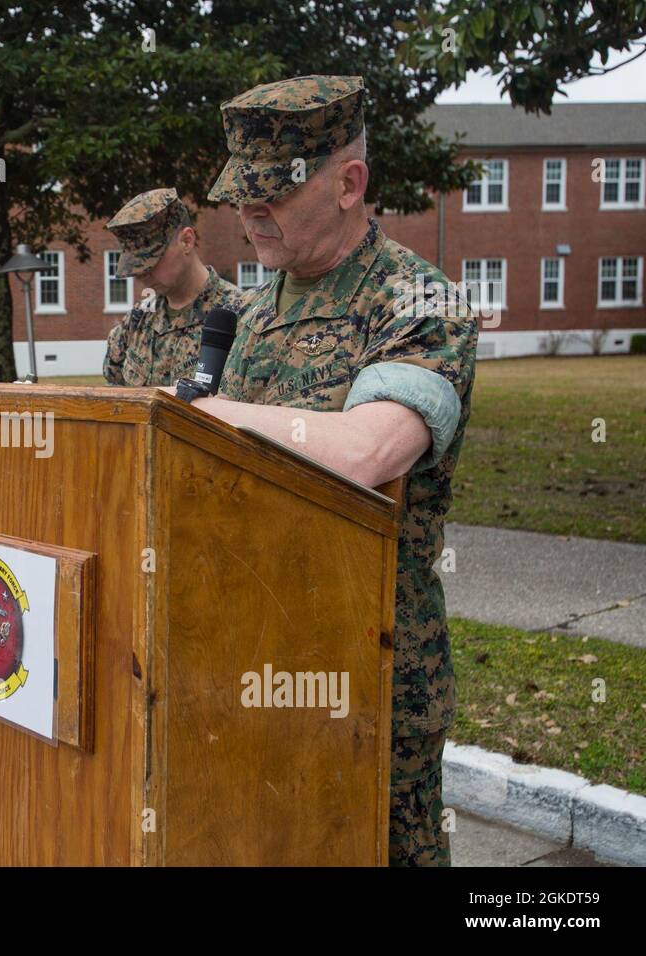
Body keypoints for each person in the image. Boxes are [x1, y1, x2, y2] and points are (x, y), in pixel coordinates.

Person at [196, 74, 477, 866]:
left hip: (372, 675)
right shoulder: (254, 314)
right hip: (251, 658)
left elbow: (367, 453)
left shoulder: (419, 302)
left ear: (349, 183)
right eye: (240, 196)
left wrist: (212, 418)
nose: (248, 214)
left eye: (272, 195)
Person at [102, 188, 245, 386]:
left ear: (187, 241)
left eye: (151, 261)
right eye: (136, 266)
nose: (142, 274)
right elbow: (115, 395)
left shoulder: (238, 316)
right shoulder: (137, 320)